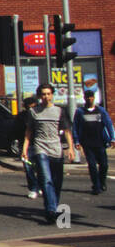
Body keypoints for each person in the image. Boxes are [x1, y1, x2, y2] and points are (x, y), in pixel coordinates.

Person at [22, 83, 76, 225]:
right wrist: (25, 149)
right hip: (41, 148)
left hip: (56, 149)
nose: (46, 97)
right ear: (39, 96)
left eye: (48, 94)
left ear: (52, 95)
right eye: (43, 94)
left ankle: (53, 206)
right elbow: (29, 132)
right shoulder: (33, 112)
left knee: (57, 182)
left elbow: (67, 131)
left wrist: (70, 148)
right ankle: (51, 210)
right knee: (46, 180)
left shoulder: (59, 111)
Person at [72, 90, 113, 195]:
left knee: (104, 165)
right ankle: (96, 186)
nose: (90, 99)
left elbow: (108, 124)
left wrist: (112, 138)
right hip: (87, 143)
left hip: (100, 142)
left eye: (91, 97)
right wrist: (76, 140)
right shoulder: (80, 112)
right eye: (87, 97)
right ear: (84, 98)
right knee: (92, 165)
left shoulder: (101, 111)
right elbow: (75, 127)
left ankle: (102, 181)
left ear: (94, 98)